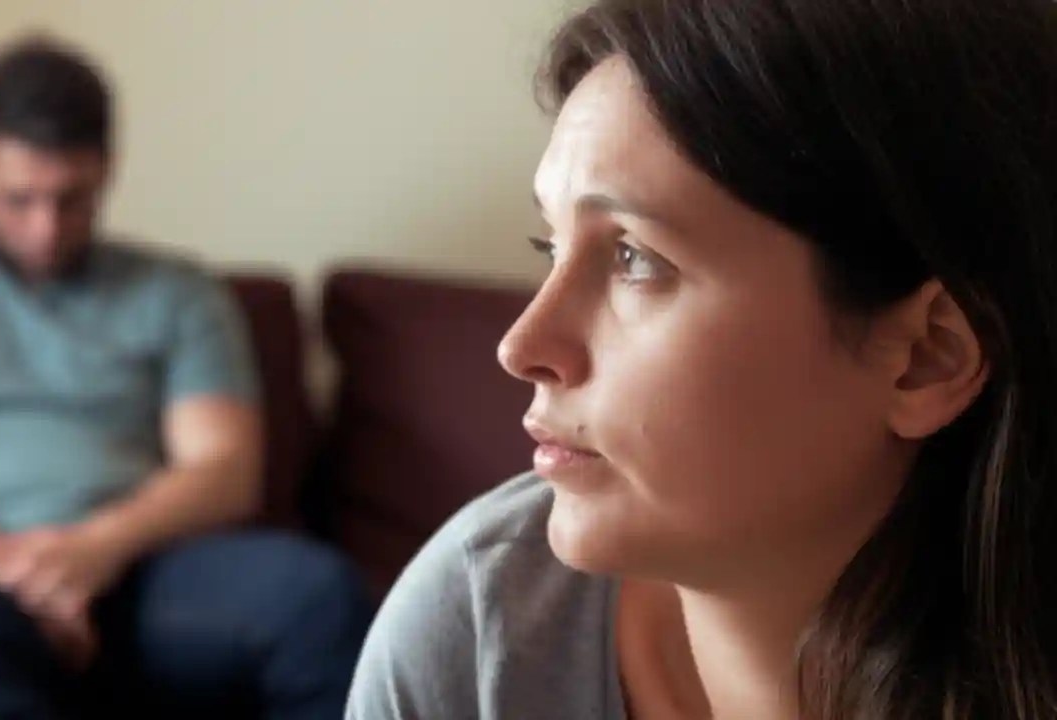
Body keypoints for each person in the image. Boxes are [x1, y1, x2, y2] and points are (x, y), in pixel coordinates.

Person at [346, 0, 1057, 718]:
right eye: (549, 247)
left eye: (635, 258)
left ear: (927, 358)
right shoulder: (476, 636)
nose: (521, 347)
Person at [0, 36, 368, 720]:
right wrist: (14, 571)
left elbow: (225, 468)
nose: (45, 228)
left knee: (316, 594)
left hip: (143, 569)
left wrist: (94, 549)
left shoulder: (182, 294)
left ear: (106, 170)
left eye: (70, 199)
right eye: (19, 200)